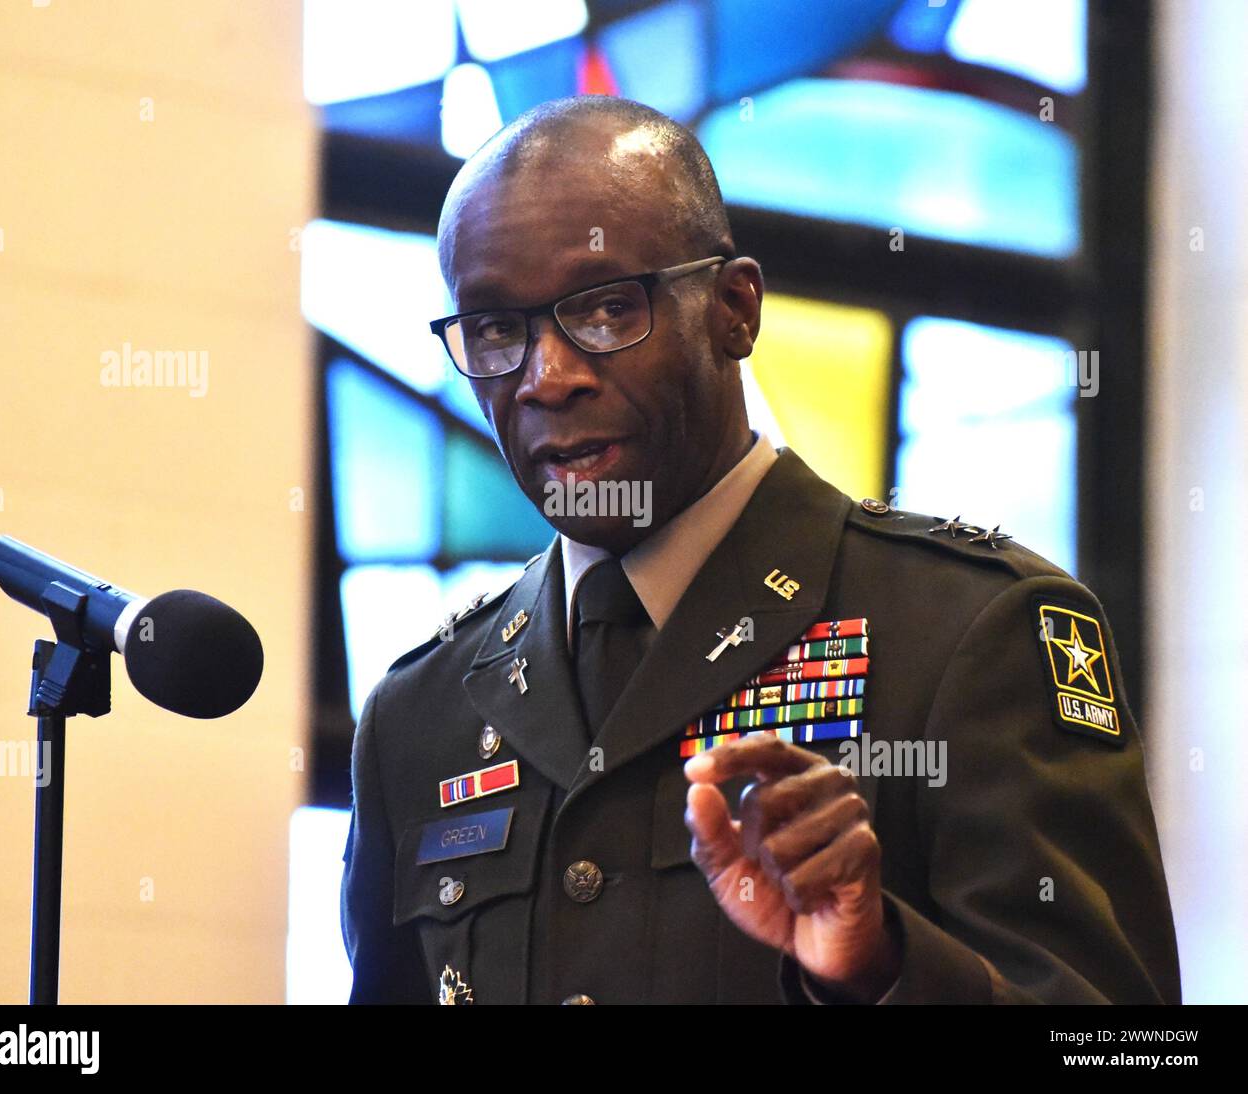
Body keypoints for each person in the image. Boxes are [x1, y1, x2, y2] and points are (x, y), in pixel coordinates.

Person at [340, 96, 1181, 1005]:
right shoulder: (420, 713)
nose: (548, 377)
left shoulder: (970, 632)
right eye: (498, 330)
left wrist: (881, 963)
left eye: (607, 308)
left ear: (736, 311)